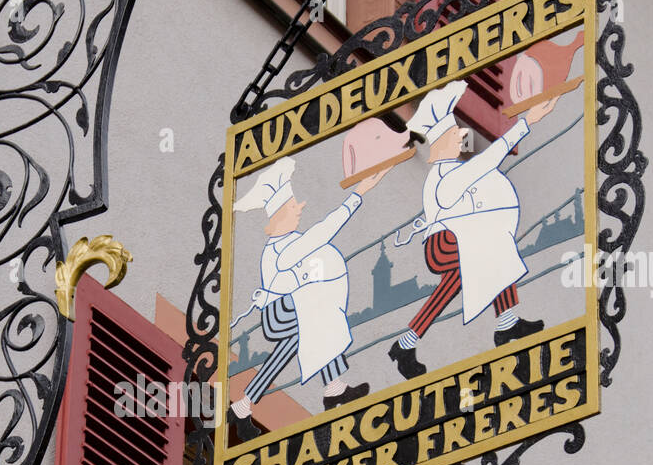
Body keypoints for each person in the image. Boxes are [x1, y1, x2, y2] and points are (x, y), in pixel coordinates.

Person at [388, 78, 558, 380]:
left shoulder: (447, 173)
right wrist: (525, 124)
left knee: (455, 280)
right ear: (439, 142)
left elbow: (436, 211)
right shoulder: (447, 174)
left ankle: (406, 343)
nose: (461, 140)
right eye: (455, 136)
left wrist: (413, 229)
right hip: (442, 245)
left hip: (447, 237)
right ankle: (506, 323)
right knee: (489, 248)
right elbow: (483, 165)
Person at [230, 156, 388, 421]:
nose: (300, 207)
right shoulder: (283, 250)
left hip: (293, 309)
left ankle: (245, 404)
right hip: (278, 314)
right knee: (314, 317)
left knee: (300, 337)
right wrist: (357, 194)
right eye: (294, 205)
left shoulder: (289, 242)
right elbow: (322, 233)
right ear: (280, 214)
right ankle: (332, 387)